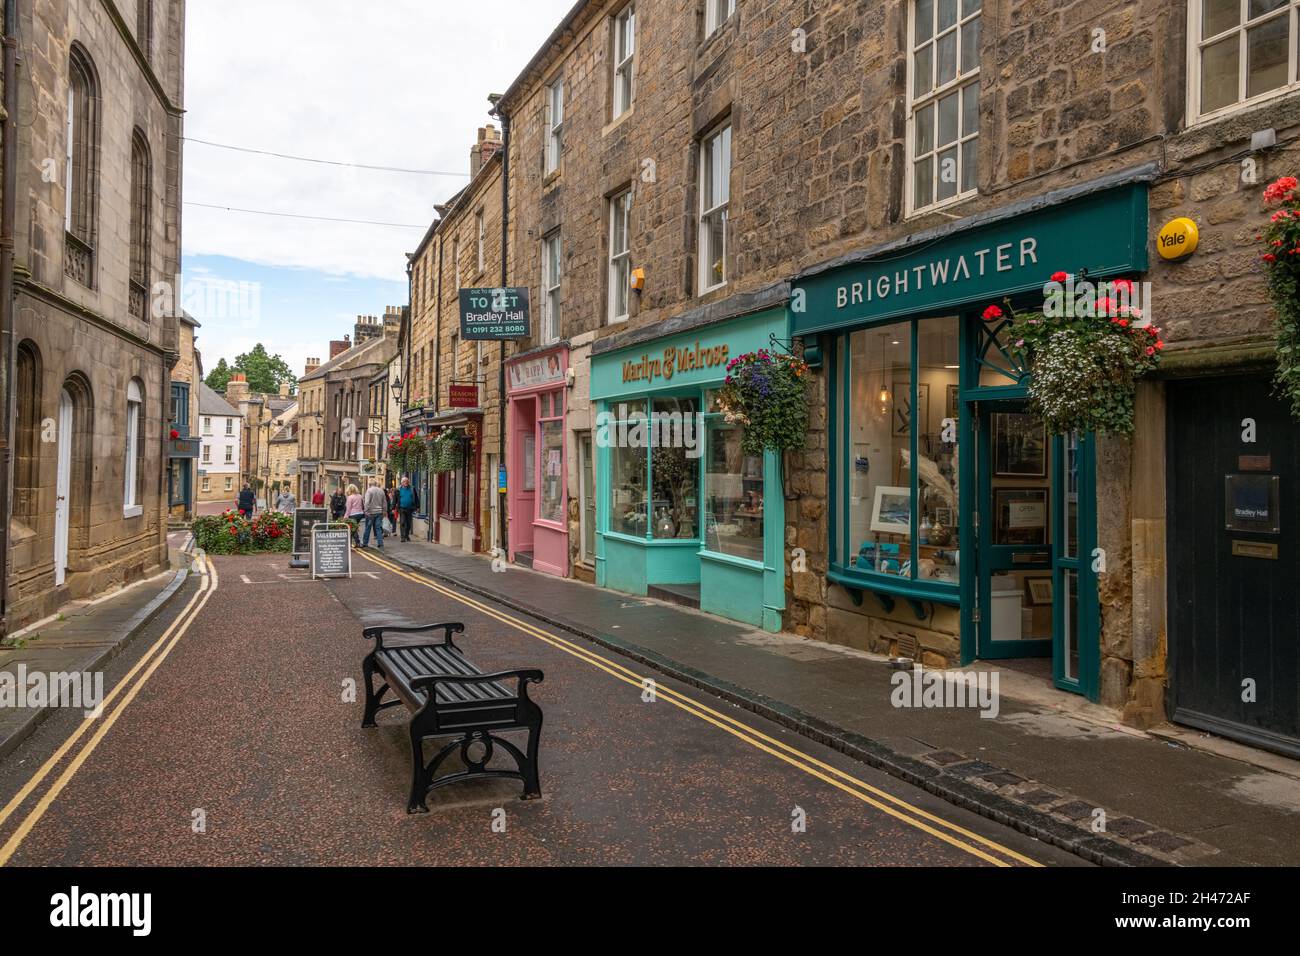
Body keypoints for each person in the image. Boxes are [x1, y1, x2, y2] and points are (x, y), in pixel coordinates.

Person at [361, 478, 387, 549]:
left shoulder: (369, 491)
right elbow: (384, 502)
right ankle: (380, 543)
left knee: (368, 528)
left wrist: (366, 511)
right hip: (379, 512)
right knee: (378, 528)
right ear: (375, 484)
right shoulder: (381, 491)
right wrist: (384, 511)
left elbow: (366, 502)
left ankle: (365, 543)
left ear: (369, 484)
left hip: (370, 513)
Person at [397, 476, 420, 542]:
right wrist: (393, 508)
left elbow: (416, 498)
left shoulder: (412, 488)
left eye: (407, 481)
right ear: (401, 483)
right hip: (402, 508)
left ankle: (407, 535)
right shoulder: (398, 489)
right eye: (404, 481)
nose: (406, 482)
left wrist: (418, 506)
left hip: (410, 508)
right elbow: (396, 499)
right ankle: (402, 537)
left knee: (409, 523)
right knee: (402, 522)